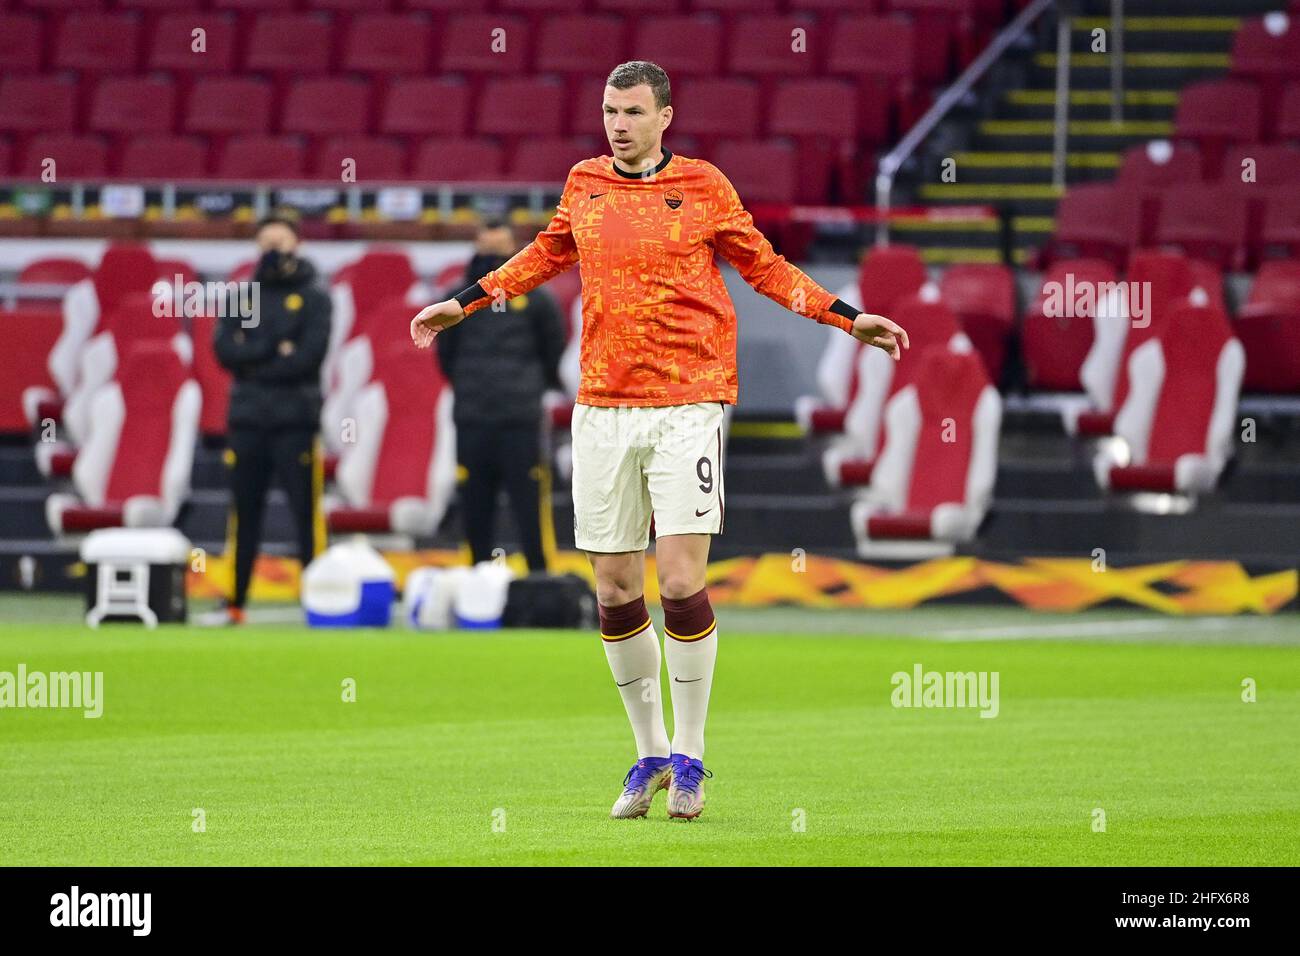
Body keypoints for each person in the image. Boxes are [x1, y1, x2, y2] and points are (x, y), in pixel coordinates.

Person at [410, 61, 908, 820]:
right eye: (610, 110)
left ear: (665, 116)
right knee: (613, 586)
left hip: (688, 401)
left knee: (678, 579)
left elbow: (764, 268)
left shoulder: (705, 187)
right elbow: (545, 253)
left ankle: (692, 754)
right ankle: (647, 755)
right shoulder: (584, 183)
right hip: (604, 404)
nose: (618, 123)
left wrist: (847, 315)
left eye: (634, 111)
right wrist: (466, 303)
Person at [213, 209, 331, 625]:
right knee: (243, 514)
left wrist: (255, 355)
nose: (272, 252)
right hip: (247, 420)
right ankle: (235, 601)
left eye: (279, 244)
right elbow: (226, 352)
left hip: (296, 420)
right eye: (265, 244)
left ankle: (316, 601)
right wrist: (275, 347)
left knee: (304, 513)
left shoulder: (315, 296)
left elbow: (308, 359)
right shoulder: (242, 297)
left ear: (296, 244)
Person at [435, 220, 566, 572]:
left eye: (500, 248)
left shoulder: (537, 299)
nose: (493, 255)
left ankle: (540, 579)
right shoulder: (456, 299)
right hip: (472, 417)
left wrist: (526, 387)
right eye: (487, 246)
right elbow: (445, 355)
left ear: (514, 250)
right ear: (476, 246)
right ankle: (478, 578)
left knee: (529, 503)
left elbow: (553, 348)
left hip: (520, 420)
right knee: (474, 501)